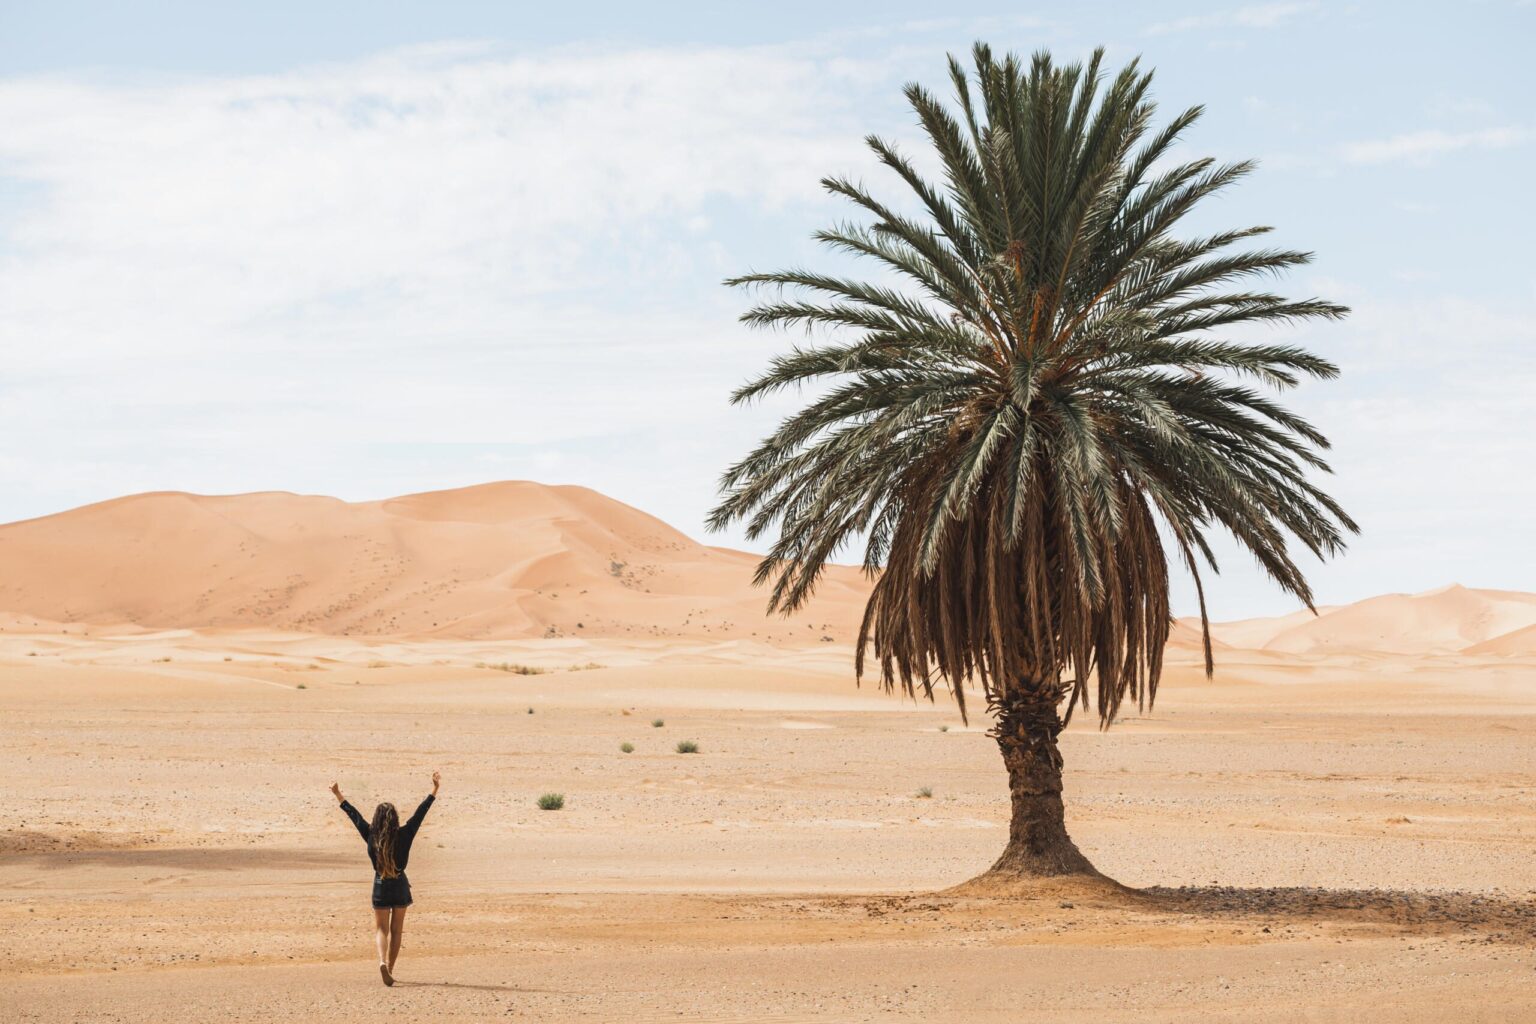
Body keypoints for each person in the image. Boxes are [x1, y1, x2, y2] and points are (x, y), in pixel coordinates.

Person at [330, 771, 439, 985]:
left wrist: (338, 794)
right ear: (395, 819)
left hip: (380, 885)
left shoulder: (371, 834)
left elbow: (355, 817)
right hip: (399, 884)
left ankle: (381, 961)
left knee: (381, 929)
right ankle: (390, 968)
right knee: (396, 929)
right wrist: (434, 789)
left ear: (377, 820)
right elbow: (420, 813)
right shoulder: (405, 834)